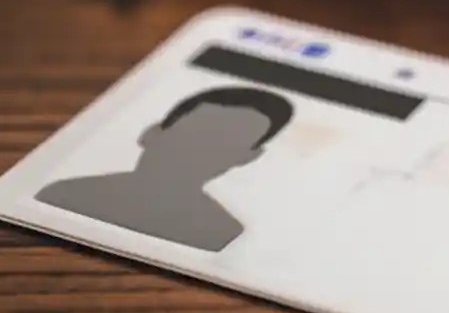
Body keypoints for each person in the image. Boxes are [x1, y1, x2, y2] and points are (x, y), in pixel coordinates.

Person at [36, 87, 293, 252]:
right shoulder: (63, 195)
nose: (197, 151)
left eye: (223, 144)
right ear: (152, 133)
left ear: (246, 158)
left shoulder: (223, 235)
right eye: (193, 133)